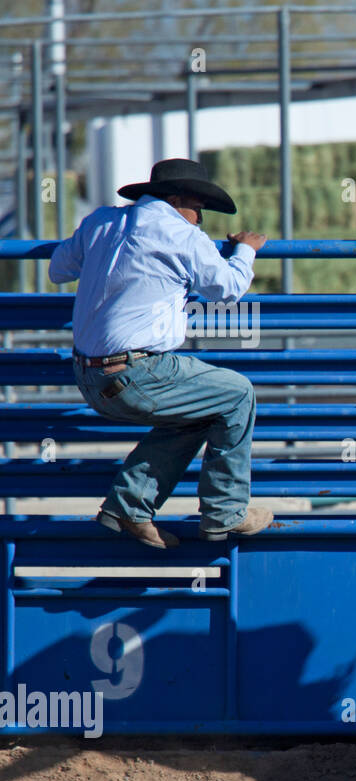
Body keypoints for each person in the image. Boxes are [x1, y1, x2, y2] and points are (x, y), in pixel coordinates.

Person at [48, 158, 274, 548]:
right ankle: (224, 513)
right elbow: (229, 289)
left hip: (88, 376)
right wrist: (245, 251)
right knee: (237, 394)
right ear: (177, 199)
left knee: (202, 407)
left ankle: (129, 508)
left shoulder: (101, 221)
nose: (200, 219)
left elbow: (58, 269)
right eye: (198, 208)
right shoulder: (182, 235)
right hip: (137, 371)